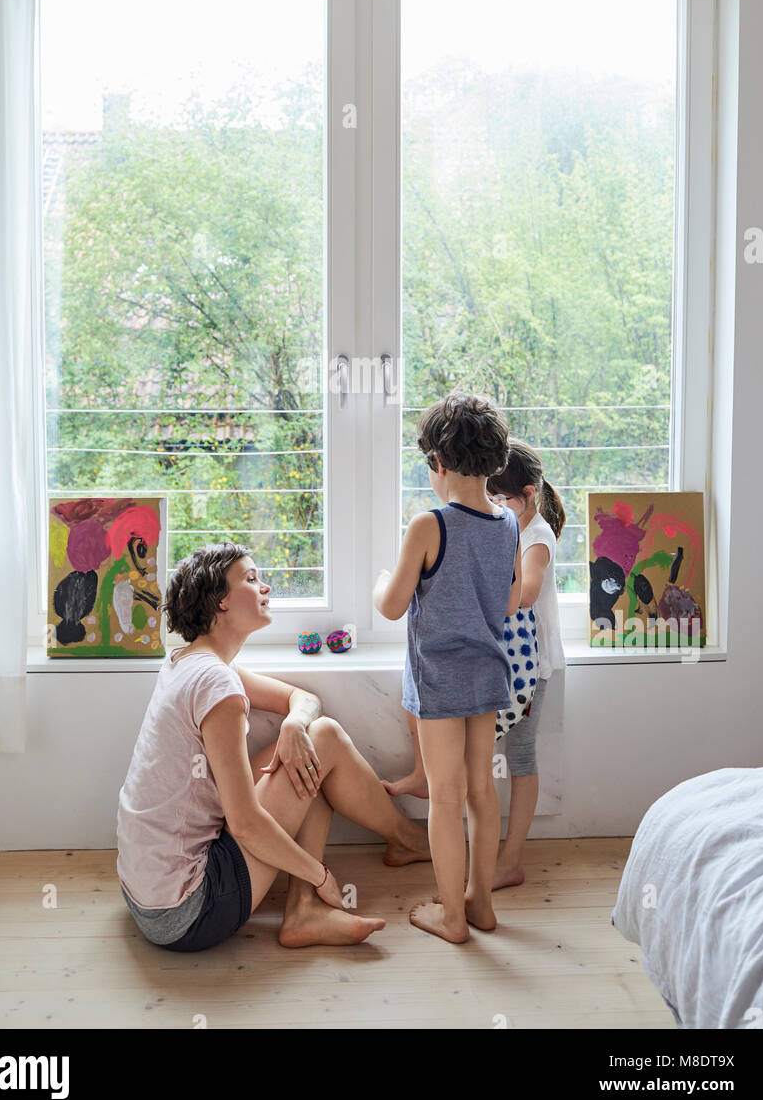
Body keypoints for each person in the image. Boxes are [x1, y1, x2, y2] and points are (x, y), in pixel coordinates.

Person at [116, 542, 430, 952]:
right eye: (251, 579)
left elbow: (299, 699)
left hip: (142, 893)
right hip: (188, 911)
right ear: (220, 601)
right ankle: (404, 840)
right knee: (324, 741)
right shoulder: (216, 683)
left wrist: (295, 724)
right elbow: (244, 823)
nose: (265, 588)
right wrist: (320, 874)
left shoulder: (189, 661)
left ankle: (305, 910)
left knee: (311, 744)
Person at [374, 392, 521, 943]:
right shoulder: (506, 524)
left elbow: (391, 605)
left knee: (446, 796)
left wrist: (378, 581)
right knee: (483, 792)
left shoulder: (429, 524)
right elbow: (507, 604)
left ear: (437, 463)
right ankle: (480, 904)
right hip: (488, 675)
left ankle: (451, 918)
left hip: (439, 683)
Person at [487, 439, 565, 888]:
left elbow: (526, 594)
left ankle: (511, 858)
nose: (496, 507)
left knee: (520, 757)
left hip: (530, 667)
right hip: (505, 658)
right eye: (490, 499)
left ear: (529, 494)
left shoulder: (537, 536)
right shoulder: (509, 527)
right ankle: (492, 853)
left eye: (502, 499)